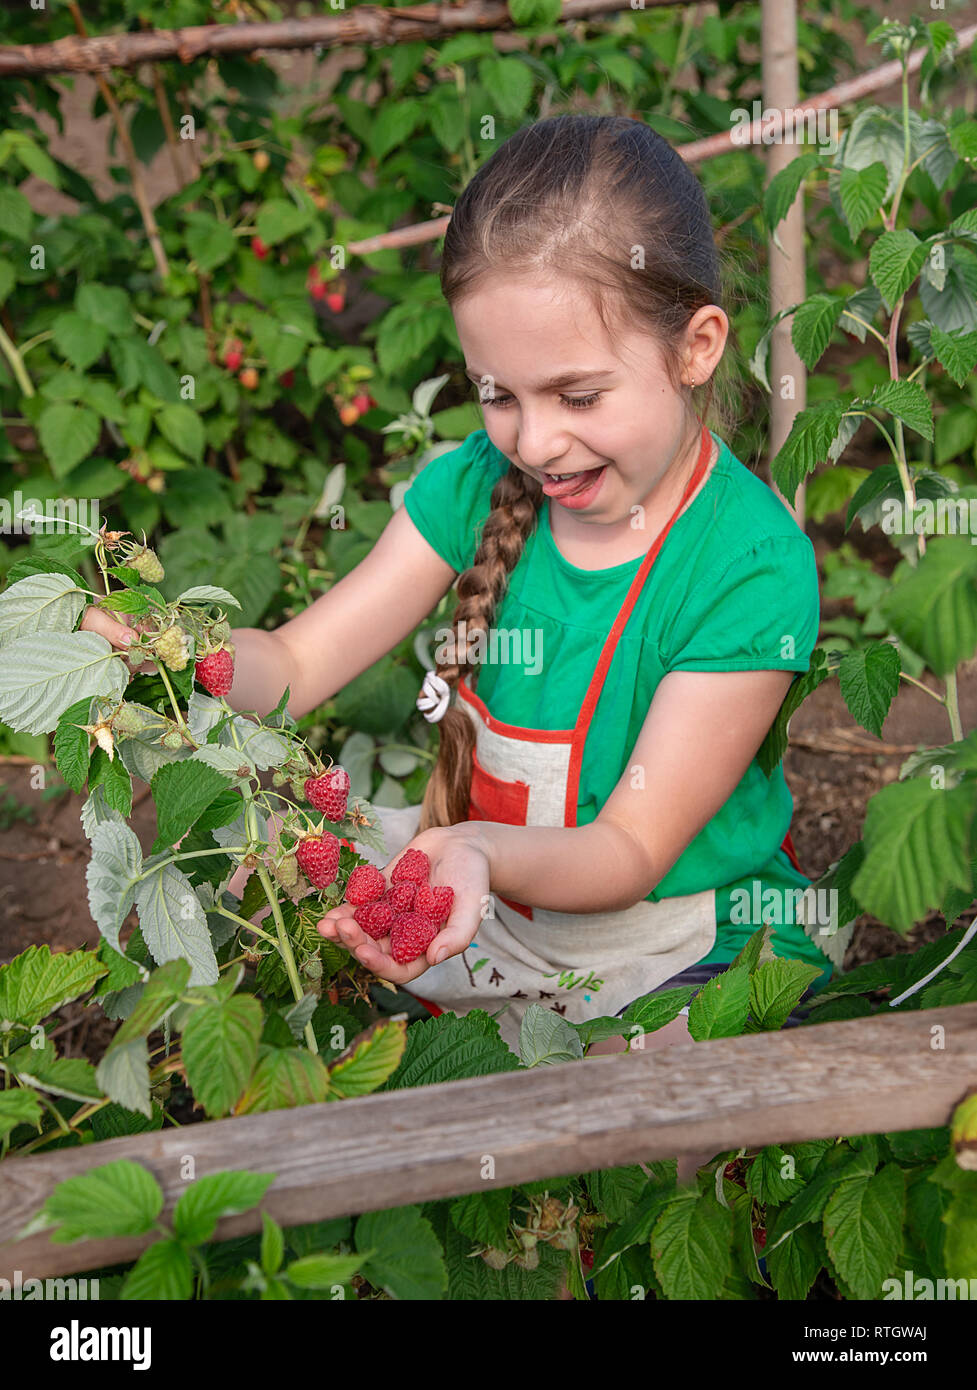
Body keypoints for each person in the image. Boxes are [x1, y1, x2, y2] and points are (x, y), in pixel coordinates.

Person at [82, 114, 832, 1084]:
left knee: (645, 1102)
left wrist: (470, 848)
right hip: (487, 899)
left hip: (670, 934)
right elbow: (300, 663)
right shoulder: (474, 486)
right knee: (271, 929)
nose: (533, 441)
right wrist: (168, 649)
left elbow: (630, 847)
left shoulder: (745, 564)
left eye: (576, 395)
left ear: (695, 347)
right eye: (498, 394)